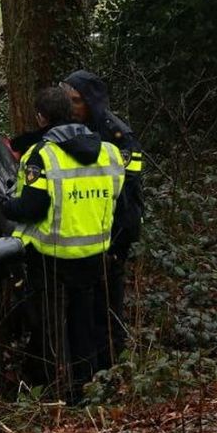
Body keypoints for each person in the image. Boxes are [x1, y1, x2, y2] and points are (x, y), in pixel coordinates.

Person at [2, 86, 126, 404]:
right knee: (85, 322)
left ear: (41, 117)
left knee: (54, 327)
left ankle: (62, 392)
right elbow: (119, 200)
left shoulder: (41, 156)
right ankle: (89, 385)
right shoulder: (109, 151)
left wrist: (2, 204)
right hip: (95, 254)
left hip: (52, 257)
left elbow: (32, 209)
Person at [60, 70, 143, 370]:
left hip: (113, 234)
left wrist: (117, 241)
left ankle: (112, 367)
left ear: (91, 103)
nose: (72, 107)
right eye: (68, 101)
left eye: (77, 102)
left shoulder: (117, 136)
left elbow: (127, 193)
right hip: (86, 235)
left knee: (108, 308)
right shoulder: (71, 127)